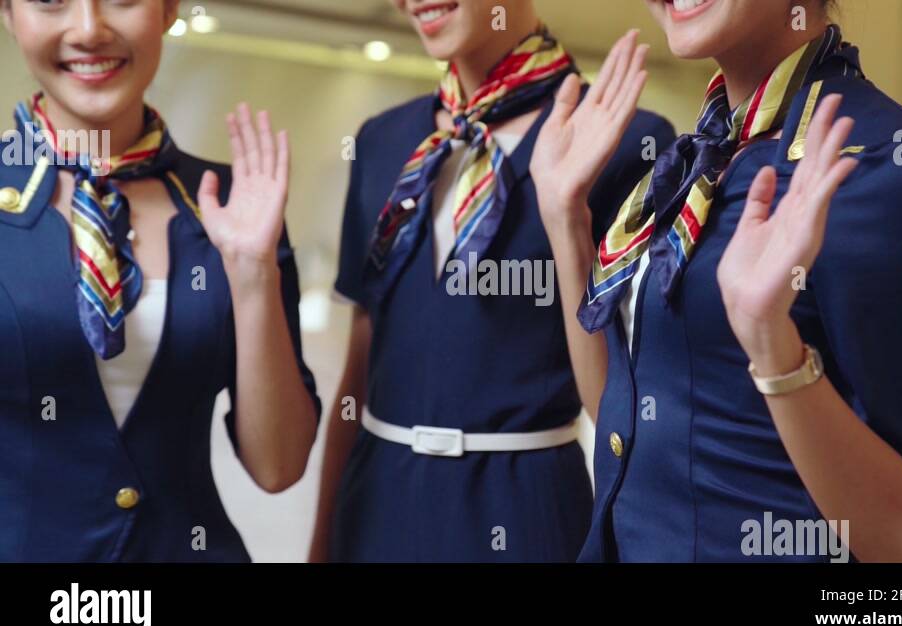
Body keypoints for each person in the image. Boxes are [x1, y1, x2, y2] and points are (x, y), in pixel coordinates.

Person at [531, 0, 902, 562]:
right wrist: (565, 219)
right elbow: (625, 424)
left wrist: (772, 345)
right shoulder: (691, 164)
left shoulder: (892, 165)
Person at [309, 0, 674, 562]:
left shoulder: (628, 142)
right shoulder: (381, 142)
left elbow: (620, 412)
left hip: (525, 509)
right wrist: (321, 545)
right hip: (376, 502)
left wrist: (567, 214)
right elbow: (358, 375)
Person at [0, 0, 320, 562]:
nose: (89, 29)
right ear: (8, 13)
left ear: (169, 8)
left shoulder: (232, 202)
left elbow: (279, 467)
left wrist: (253, 275)